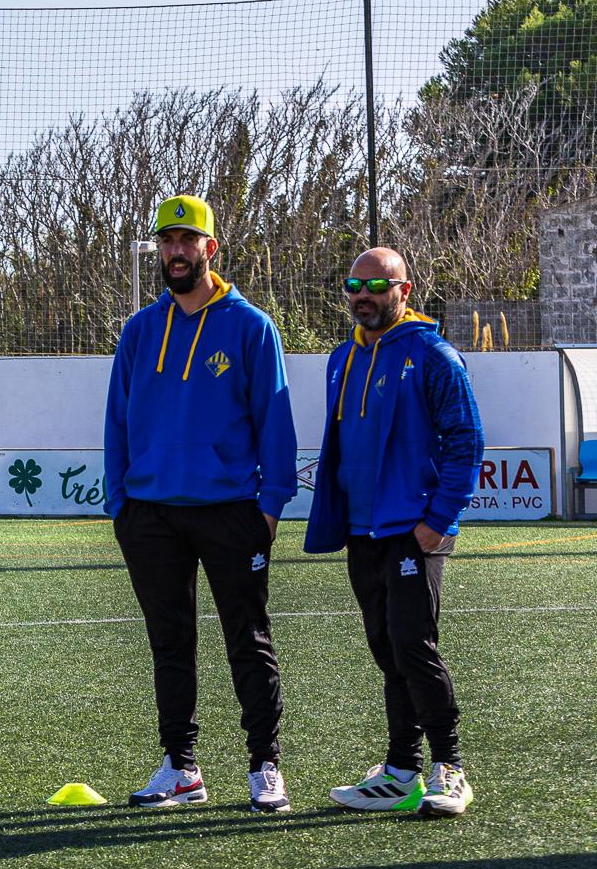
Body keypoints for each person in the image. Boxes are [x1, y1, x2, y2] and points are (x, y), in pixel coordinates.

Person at [105, 195, 298, 813]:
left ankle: (265, 766)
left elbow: (276, 421)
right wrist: (121, 504)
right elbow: (116, 423)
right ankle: (181, 767)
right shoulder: (140, 331)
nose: (176, 252)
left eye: (188, 241)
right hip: (151, 514)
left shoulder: (250, 326)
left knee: (248, 639)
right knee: (170, 643)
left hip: (230, 511)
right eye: (166, 242)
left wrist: (269, 506)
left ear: (210, 249)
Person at [306, 247, 483, 818]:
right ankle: (401, 770)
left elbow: (466, 443)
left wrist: (436, 523)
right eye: (354, 284)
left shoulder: (433, 354)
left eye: (376, 285)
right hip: (362, 530)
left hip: (413, 530)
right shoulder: (341, 358)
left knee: (413, 644)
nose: (363, 294)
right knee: (387, 649)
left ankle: (449, 767)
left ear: (403, 291)